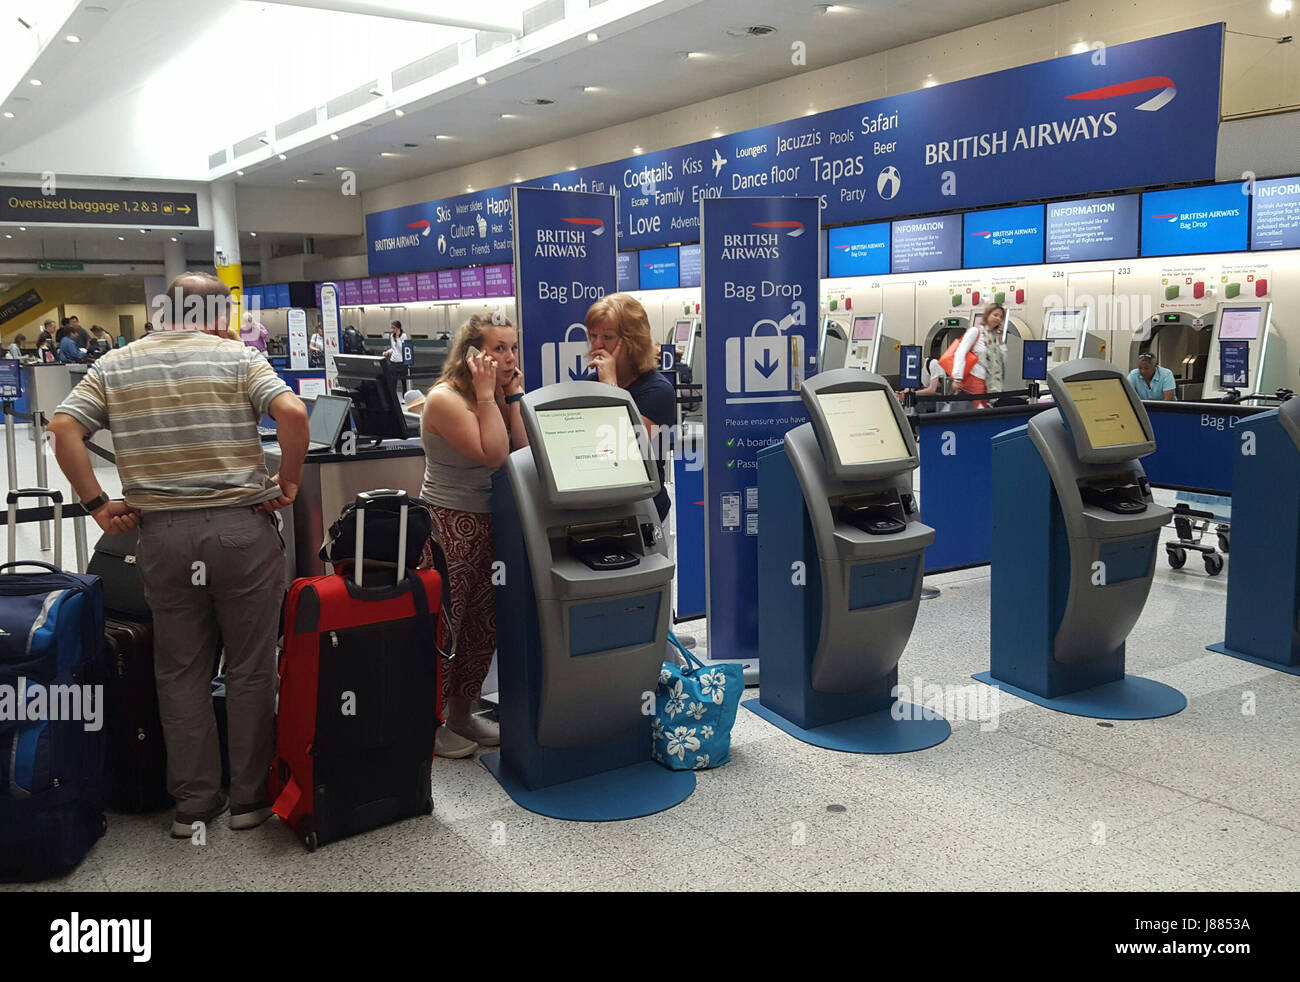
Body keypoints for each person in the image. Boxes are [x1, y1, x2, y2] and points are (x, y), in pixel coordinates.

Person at [47, 271, 309, 839]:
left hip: (161, 538)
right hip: (242, 532)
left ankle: (193, 804)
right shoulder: (237, 359)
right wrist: (287, 482)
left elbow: (63, 427)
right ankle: (248, 801)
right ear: (217, 313)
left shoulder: (117, 363)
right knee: (249, 668)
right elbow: (293, 415)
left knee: (180, 671)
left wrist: (96, 504)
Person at [419, 311, 527, 758]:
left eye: (512, 348)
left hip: (491, 523)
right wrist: (488, 395)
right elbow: (493, 454)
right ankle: (430, 723)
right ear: (472, 354)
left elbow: (521, 451)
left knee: (484, 626)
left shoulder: (495, 395)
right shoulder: (445, 399)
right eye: (498, 349)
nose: (507, 357)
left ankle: (462, 714)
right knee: (446, 626)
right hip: (449, 524)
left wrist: (513, 396)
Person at [584, 293, 676, 521]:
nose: (597, 345)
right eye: (593, 336)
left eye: (607, 337)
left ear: (632, 341)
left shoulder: (657, 390)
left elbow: (627, 449)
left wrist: (610, 386)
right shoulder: (591, 384)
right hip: (603, 508)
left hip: (644, 511)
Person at [950, 303, 1008, 410]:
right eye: (995, 315)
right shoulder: (975, 331)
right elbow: (960, 352)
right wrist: (957, 378)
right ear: (987, 315)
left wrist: (1000, 341)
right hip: (974, 379)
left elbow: (1002, 360)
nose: (998, 318)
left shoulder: (994, 337)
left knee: (984, 412)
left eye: (1001, 317)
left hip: (990, 382)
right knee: (976, 412)